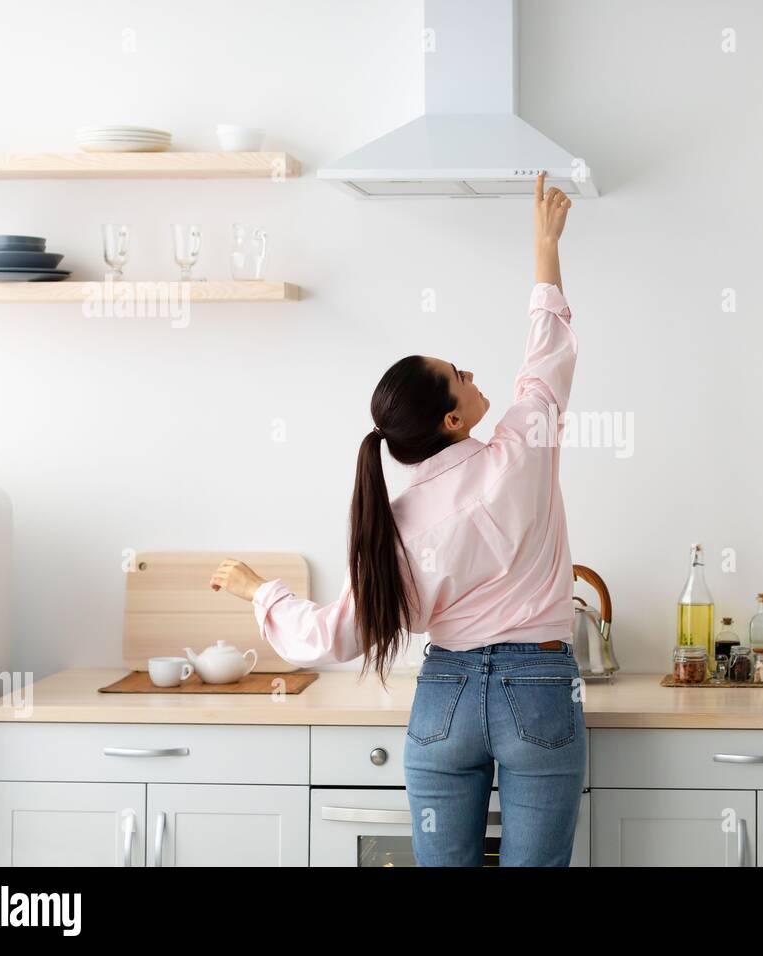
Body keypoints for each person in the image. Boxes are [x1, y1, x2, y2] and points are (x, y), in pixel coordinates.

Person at [210, 173, 584, 866]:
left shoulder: (400, 522)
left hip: (443, 701)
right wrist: (545, 251)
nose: (474, 375)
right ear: (451, 419)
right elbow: (547, 360)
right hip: (538, 689)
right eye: (461, 376)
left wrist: (259, 590)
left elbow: (330, 636)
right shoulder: (521, 451)